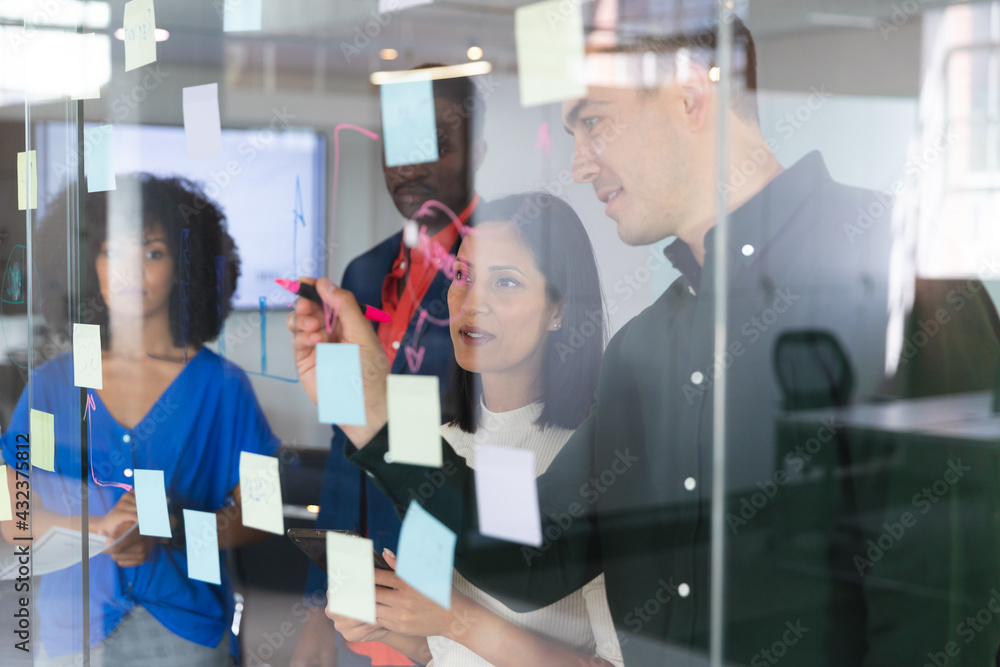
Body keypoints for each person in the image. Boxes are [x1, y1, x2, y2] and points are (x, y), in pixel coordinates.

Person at [290, 15, 1000, 667]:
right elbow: (532, 554)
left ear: (692, 95)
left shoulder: (896, 273)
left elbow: (947, 615)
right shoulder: (645, 346)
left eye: (593, 122)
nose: (579, 163)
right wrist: (372, 410)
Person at [325, 193, 624, 666]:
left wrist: (454, 619)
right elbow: (440, 649)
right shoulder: (441, 444)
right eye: (462, 276)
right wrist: (385, 621)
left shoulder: (593, 459)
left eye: (505, 282)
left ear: (559, 310)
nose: (471, 302)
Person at [0, 174, 280, 666]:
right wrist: (100, 529)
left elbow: (261, 514)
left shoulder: (224, 387)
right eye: (114, 251)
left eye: (152, 252)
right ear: (91, 264)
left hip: (186, 632)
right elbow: (12, 516)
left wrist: (170, 531)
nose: (130, 271)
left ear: (183, 266)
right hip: (73, 632)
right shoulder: (50, 386)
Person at [291, 65, 487, 667]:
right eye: (397, 148)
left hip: (457, 584)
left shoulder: (498, 269)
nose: (409, 167)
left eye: (436, 144)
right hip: (366, 584)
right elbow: (348, 440)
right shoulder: (363, 274)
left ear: (478, 148)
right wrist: (320, 601)